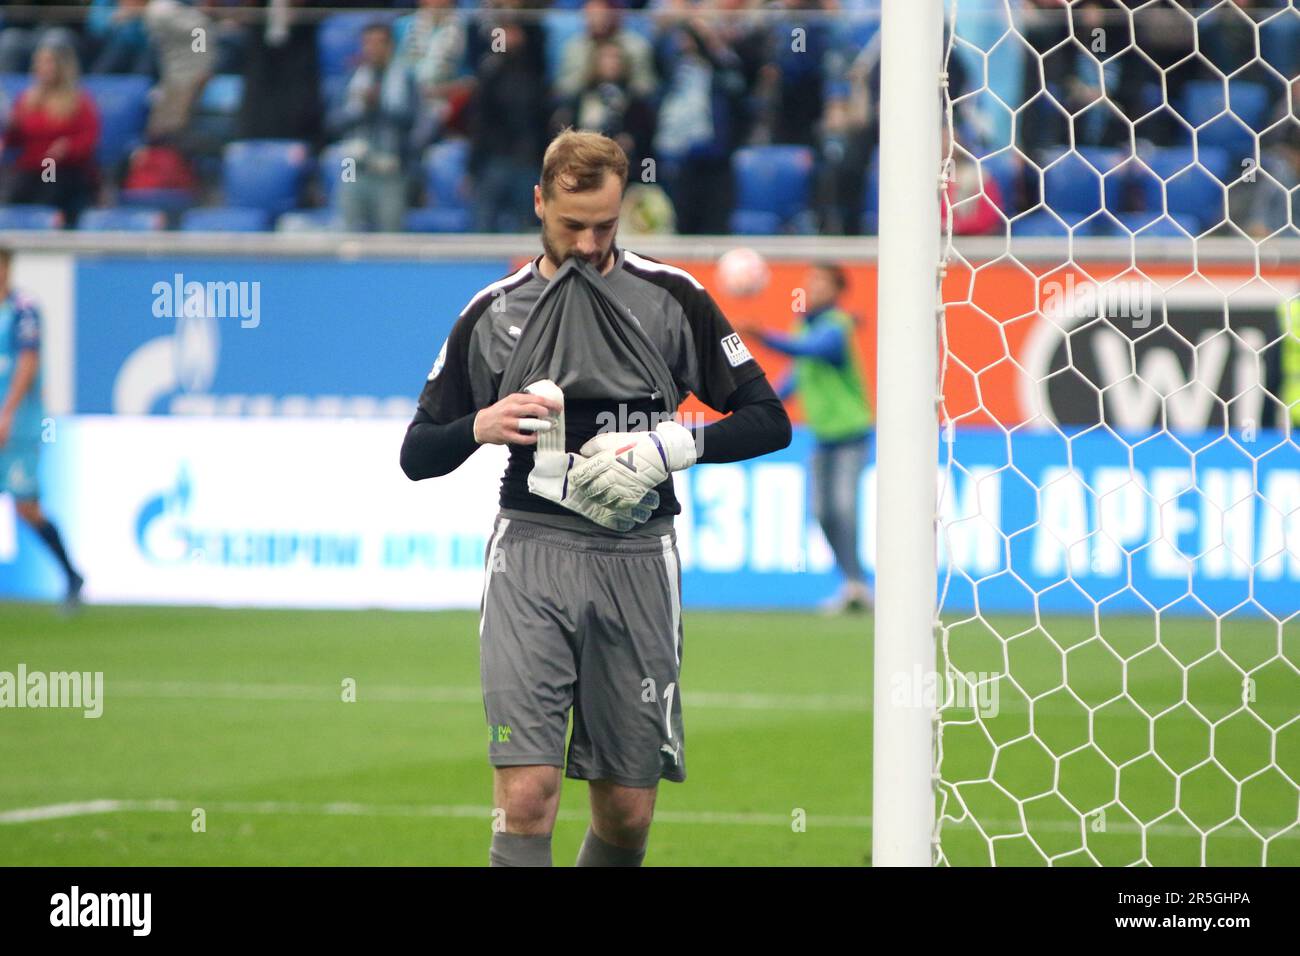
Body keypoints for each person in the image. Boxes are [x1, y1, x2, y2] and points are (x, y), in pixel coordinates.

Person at [400, 129, 791, 867]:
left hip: (639, 560)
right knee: (526, 795)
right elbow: (416, 455)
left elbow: (768, 421)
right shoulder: (493, 312)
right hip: (531, 559)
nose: (587, 243)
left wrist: (672, 447)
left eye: (604, 227)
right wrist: (478, 425)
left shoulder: (673, 299)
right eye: (570, 225)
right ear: (539, 202)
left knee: (627, 810)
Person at [738, 262, 873, 612]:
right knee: (822, 514)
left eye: (821, 281)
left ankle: (858, 584)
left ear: (836, 290)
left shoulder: (836, 328)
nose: (812, 286)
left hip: (850, 433)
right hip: (823, 435)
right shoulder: (805, 326)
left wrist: (762, 335)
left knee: (842, 508)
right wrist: (764, 406)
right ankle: (853, 584)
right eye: (810, 279)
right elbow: (797, 375)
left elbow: (807, 351)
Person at [0, 247, 84, 609]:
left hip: (19, 425)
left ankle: (71, 575)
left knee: (27, 508)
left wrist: (7, 413)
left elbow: (27, 363)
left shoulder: (23, 311)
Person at [0, 40, 101, 227]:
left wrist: (67, 148)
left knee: (48, 179)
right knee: (13, 188)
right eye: (39, 63)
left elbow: (88, 139)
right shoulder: (27, 99)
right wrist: (10, 132)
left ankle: (43, 223)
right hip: (29, 166)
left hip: (59, 167)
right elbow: (15, 140)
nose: (42, 68)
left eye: (48, 63)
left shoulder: (78, 102)